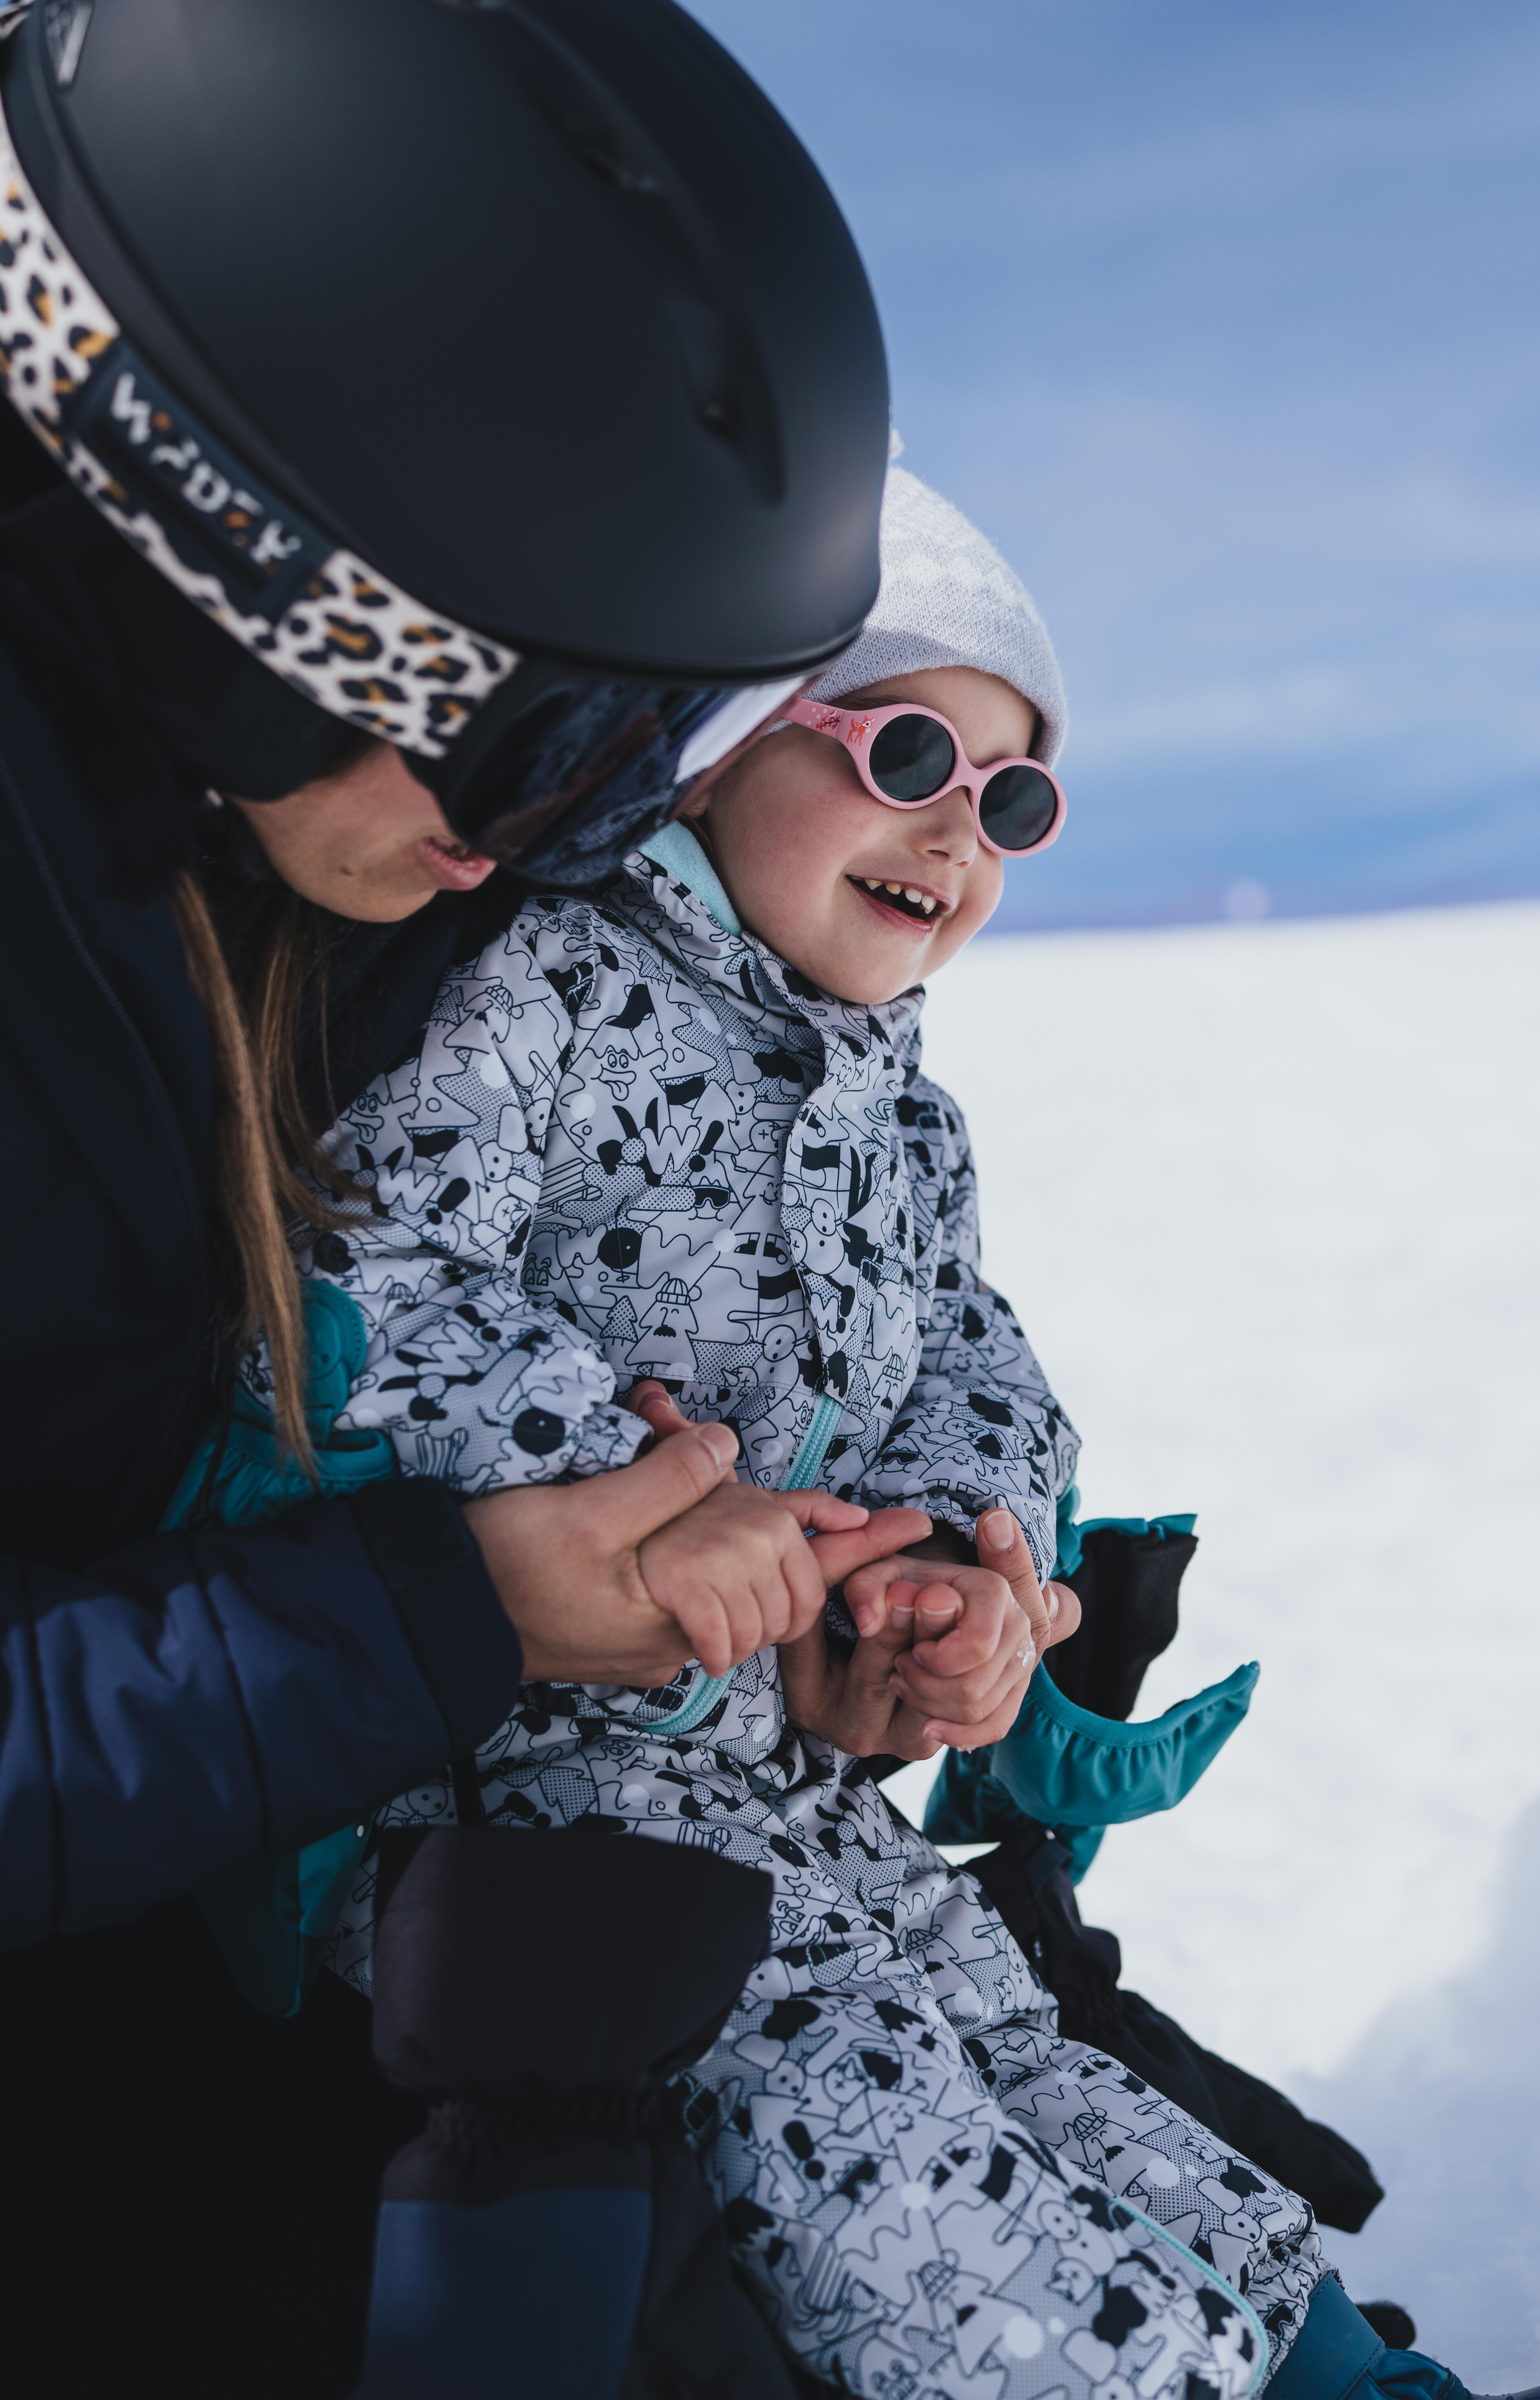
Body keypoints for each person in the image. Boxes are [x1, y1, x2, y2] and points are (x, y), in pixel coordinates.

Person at [0, 1, 933, 2388]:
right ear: (222, 563)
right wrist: (435, 1612)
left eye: (651, 753)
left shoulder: (308, 860)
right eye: (547, 733)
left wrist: (833, 1577)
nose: (560, 839)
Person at [232, 464, 1317, 2400]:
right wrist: (629, 1486)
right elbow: (353, 1270)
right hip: (536, 1796)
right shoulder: (550, 978)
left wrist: (954, 1549)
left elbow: (973, 1354)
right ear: (727, 742)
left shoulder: (910, 1117)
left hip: (790, 1782)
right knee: (899, 2171)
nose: (957, 830)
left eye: (1014, 800)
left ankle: (1325, 2365)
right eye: (906, 750)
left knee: (1058, 2075)